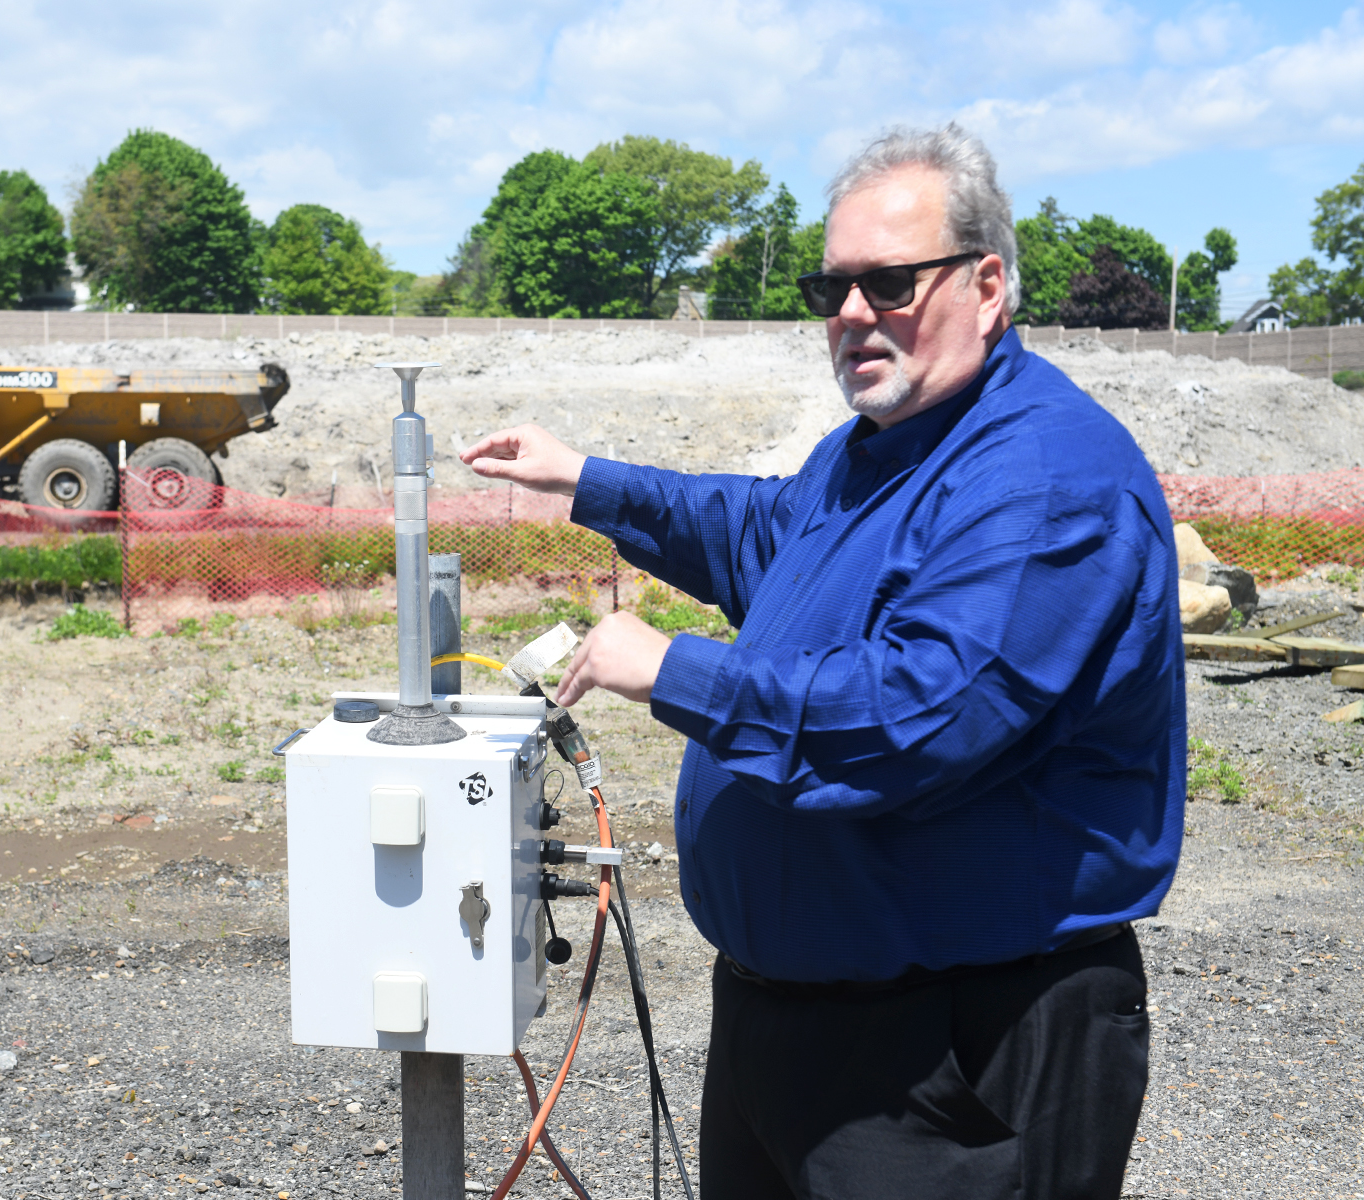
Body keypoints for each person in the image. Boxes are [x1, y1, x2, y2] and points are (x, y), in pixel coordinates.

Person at [462, 124, 1183, 1200]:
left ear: (987, 285)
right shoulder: (883, 450)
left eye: (889, 283)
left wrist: (676, 673)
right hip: (801, 1025)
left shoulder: (1041, 479)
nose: (851, 316)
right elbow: (768, 533)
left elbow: (920, 714)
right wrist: (589, 479)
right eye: (832, 287)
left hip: (951, 1047)